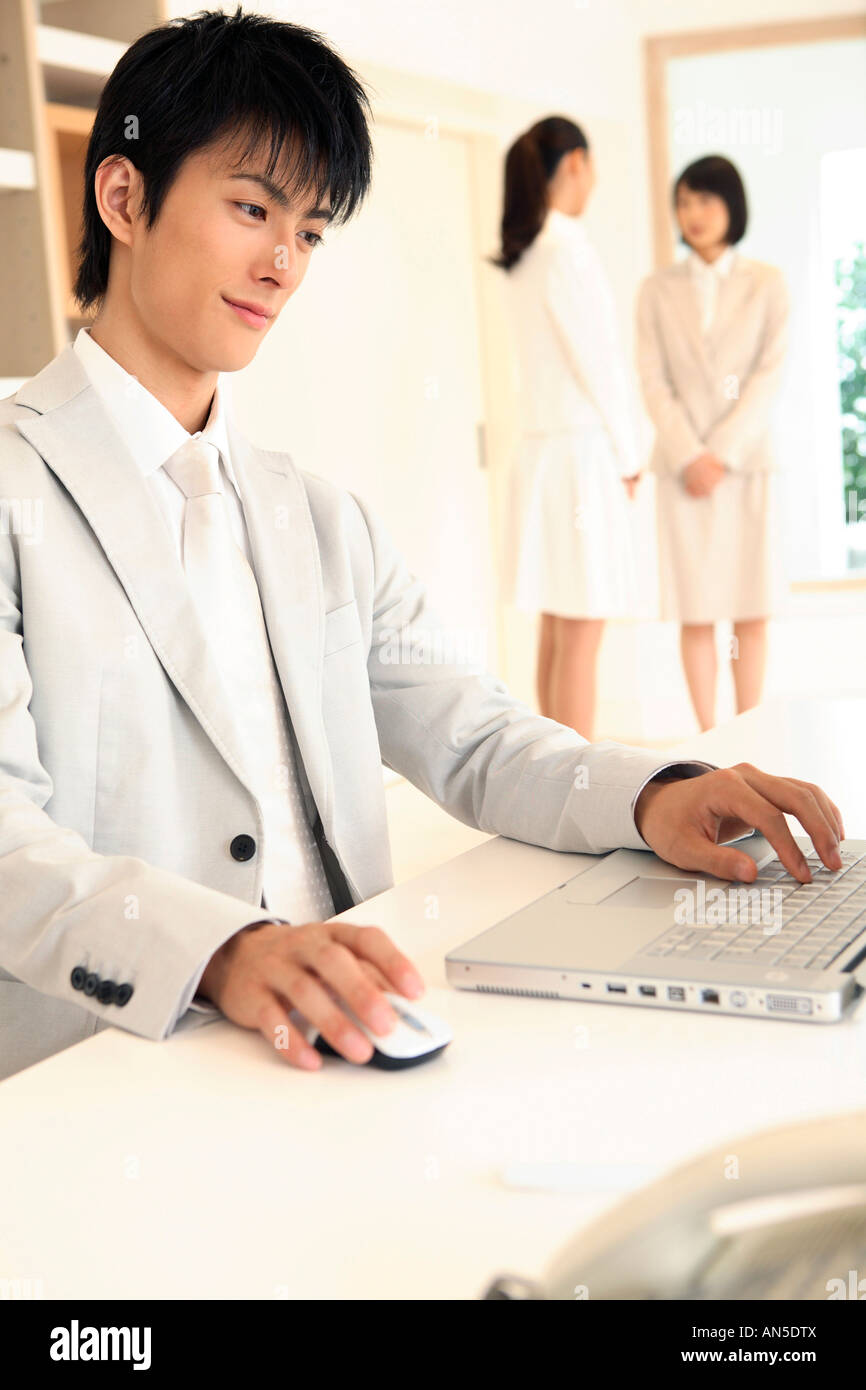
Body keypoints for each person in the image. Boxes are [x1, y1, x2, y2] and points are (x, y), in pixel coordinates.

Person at [0, 11, 844, 1083]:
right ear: (125, 197)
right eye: (252, 208)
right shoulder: (14, 486)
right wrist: (222, 951)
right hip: (110, 1070)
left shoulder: (314, 513)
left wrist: (655, 795)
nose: (281, 264)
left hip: (348, 1043)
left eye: (307, 231)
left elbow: (475, 739)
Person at [492, 116, 641, 739]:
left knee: (558, 628)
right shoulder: (567, 248)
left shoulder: (526, 252)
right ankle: (580, 788)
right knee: (580, 628)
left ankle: (554, 780)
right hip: (580, 456)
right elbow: (600, 363)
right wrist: (632, 453)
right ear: (575, 163)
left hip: (545, 453)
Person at [636, 154, 789, 731]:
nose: (693, 214)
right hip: (682, 472)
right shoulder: (655, 289)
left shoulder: (767, 283)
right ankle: (714, 739)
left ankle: (752, 732)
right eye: (684, 202)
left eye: (705, 200)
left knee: (751, 607)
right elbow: (652, 380)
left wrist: (720, 453)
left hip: (747, 466)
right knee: (695, 610)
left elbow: (769, 376)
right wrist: (689, 455)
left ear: (731, 206)